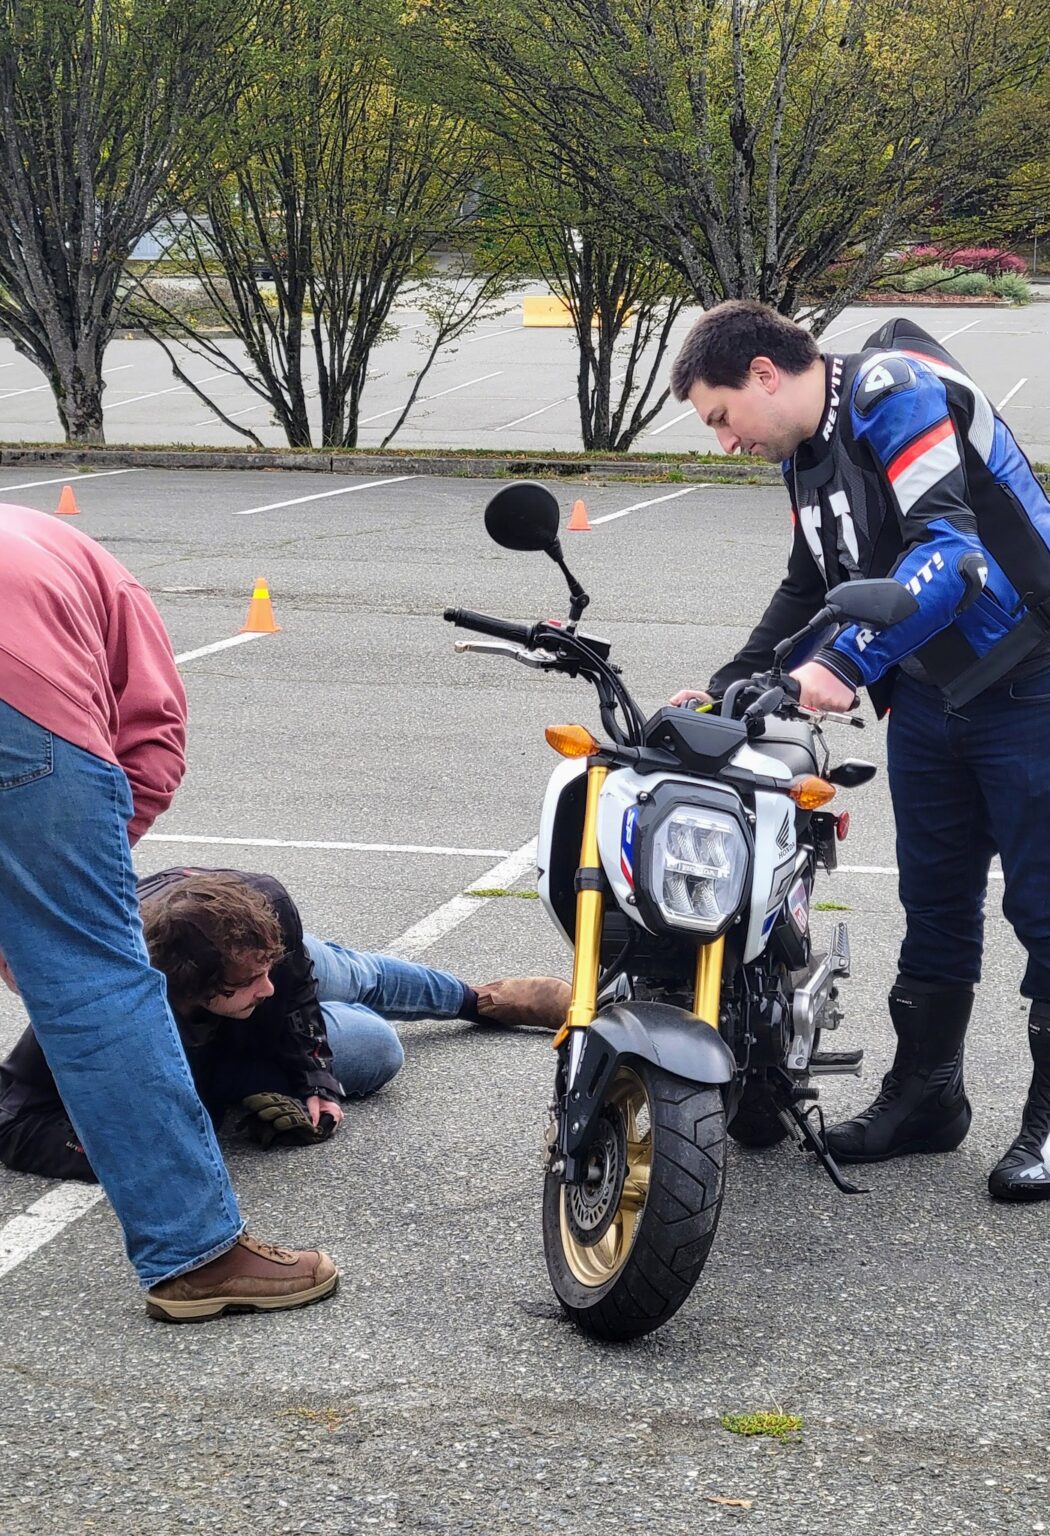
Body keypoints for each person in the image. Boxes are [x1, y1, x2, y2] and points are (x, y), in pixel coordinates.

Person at [668, 300, 1050, 1201]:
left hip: (1031, 682)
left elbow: (950, 553)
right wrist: (727, 682)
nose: (723, 441)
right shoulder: (802, 453)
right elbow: (814, 580)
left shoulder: (893, 390)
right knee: (935, 905)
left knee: (1045, 909)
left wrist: (839, 664)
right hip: (927, 698)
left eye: (720, 417)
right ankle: (926, 1099)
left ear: (765, 373)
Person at [0, 501, 336, 1322]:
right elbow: (150, 740)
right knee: (96, 981)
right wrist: (83, 900)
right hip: (19, 693)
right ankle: (195, 1253)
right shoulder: (97, 574)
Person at [0, 866, 571, 1180]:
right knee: (378, 1048)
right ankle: (245, 1077)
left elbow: (289, 992)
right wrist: (119, 1151)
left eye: (264, 971)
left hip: (245, 944)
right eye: (249, 986)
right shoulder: (99, 1007)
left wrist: (314, 1076)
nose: (265, 988)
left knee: (345, 973)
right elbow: (14, 1119)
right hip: (204, 1026)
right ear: (190, 992)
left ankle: (480, 999)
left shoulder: (266, 912)